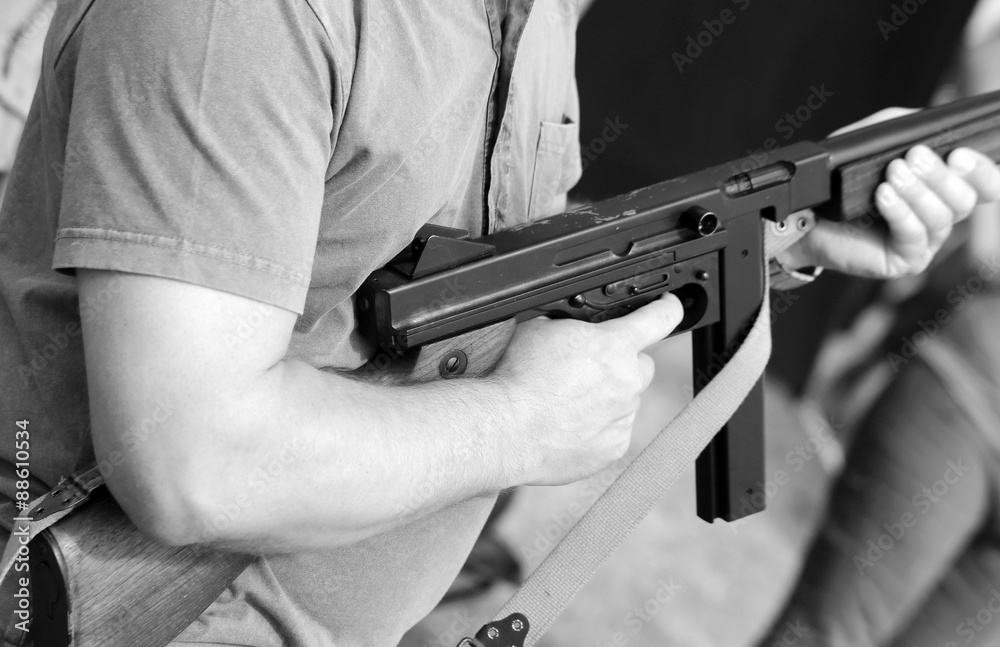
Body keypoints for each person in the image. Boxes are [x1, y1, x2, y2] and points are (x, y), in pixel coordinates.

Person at [1, 2, 999, 646]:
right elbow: (195, 462)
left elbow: (508, 272)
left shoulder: (533, 14)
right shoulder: (249, 18)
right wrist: (522, 423)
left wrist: (786, 224)